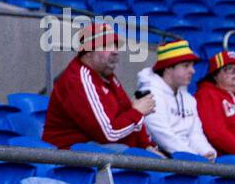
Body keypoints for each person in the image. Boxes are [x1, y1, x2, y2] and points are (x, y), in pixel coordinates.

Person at [43, 22, 157, 151]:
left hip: (94, 150)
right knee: (124, 152)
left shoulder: (108, 76)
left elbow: (126, 111)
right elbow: (109, 134)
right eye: (106, 45)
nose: (115, 51)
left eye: (115, 45)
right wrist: (138, 112)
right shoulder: (78, 80)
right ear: (88, 53)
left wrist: (146, 145)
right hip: (67, 159)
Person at [135, 40, 216, 159]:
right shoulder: (150, 94)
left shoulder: (188, 99)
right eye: (186, 66)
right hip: (160, 157)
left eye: (192, 66)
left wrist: (206, 152)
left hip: (188, 158)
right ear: (168, 68)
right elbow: (163, 136)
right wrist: (193, 158)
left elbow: (195, 134)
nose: (192, 71)